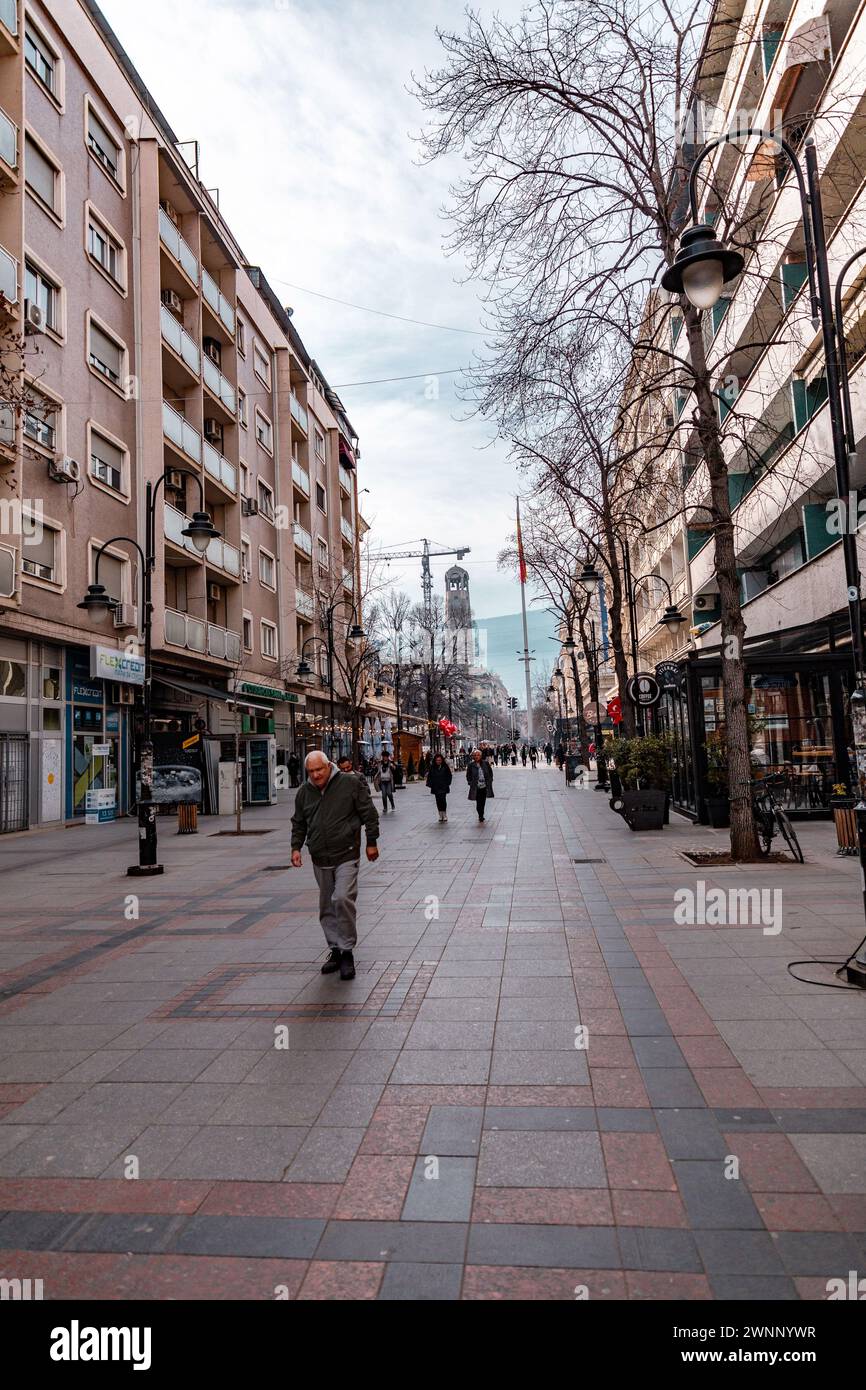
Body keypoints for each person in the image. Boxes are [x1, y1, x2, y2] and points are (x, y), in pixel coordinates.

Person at [291, 750, 379, 981]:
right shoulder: (304, 792)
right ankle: (336, 950)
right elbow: (299, 822)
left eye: (319, 769)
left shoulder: (350, 783)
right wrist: (296, 848)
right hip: (320, 856)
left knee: (342, 899)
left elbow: (369, 814)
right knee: (326, 907)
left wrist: (371, 842)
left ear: (329, 765)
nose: (316, 775)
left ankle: (347, 950)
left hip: (346, 852)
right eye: (311, 771)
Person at [467, 747, 494, 823]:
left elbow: (490, 772)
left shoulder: (485, 763)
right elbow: (468, 775)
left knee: (483, 801)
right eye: (475, 755)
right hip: (476, 786)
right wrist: (470, 782)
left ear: (481, 756)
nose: (476, 756)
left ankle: (482, 814)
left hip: (484, 786)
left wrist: (490, 780)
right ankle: (480, 815)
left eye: (478, 755)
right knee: (478, 802)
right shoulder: (471, 765)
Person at [426, 752, 453, 822]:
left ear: (442, 760)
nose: (438, 761)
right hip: (436, 787)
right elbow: (430, 776)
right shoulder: (432, 767)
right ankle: (440, 814)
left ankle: (444, 813)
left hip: (443, 786)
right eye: (437, 760)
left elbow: (449, 775)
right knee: (438, 800)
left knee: (443, 800)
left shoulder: (445, 767)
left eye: (440, 760)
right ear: (435, 760)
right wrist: (430, 784)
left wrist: (448, 783)